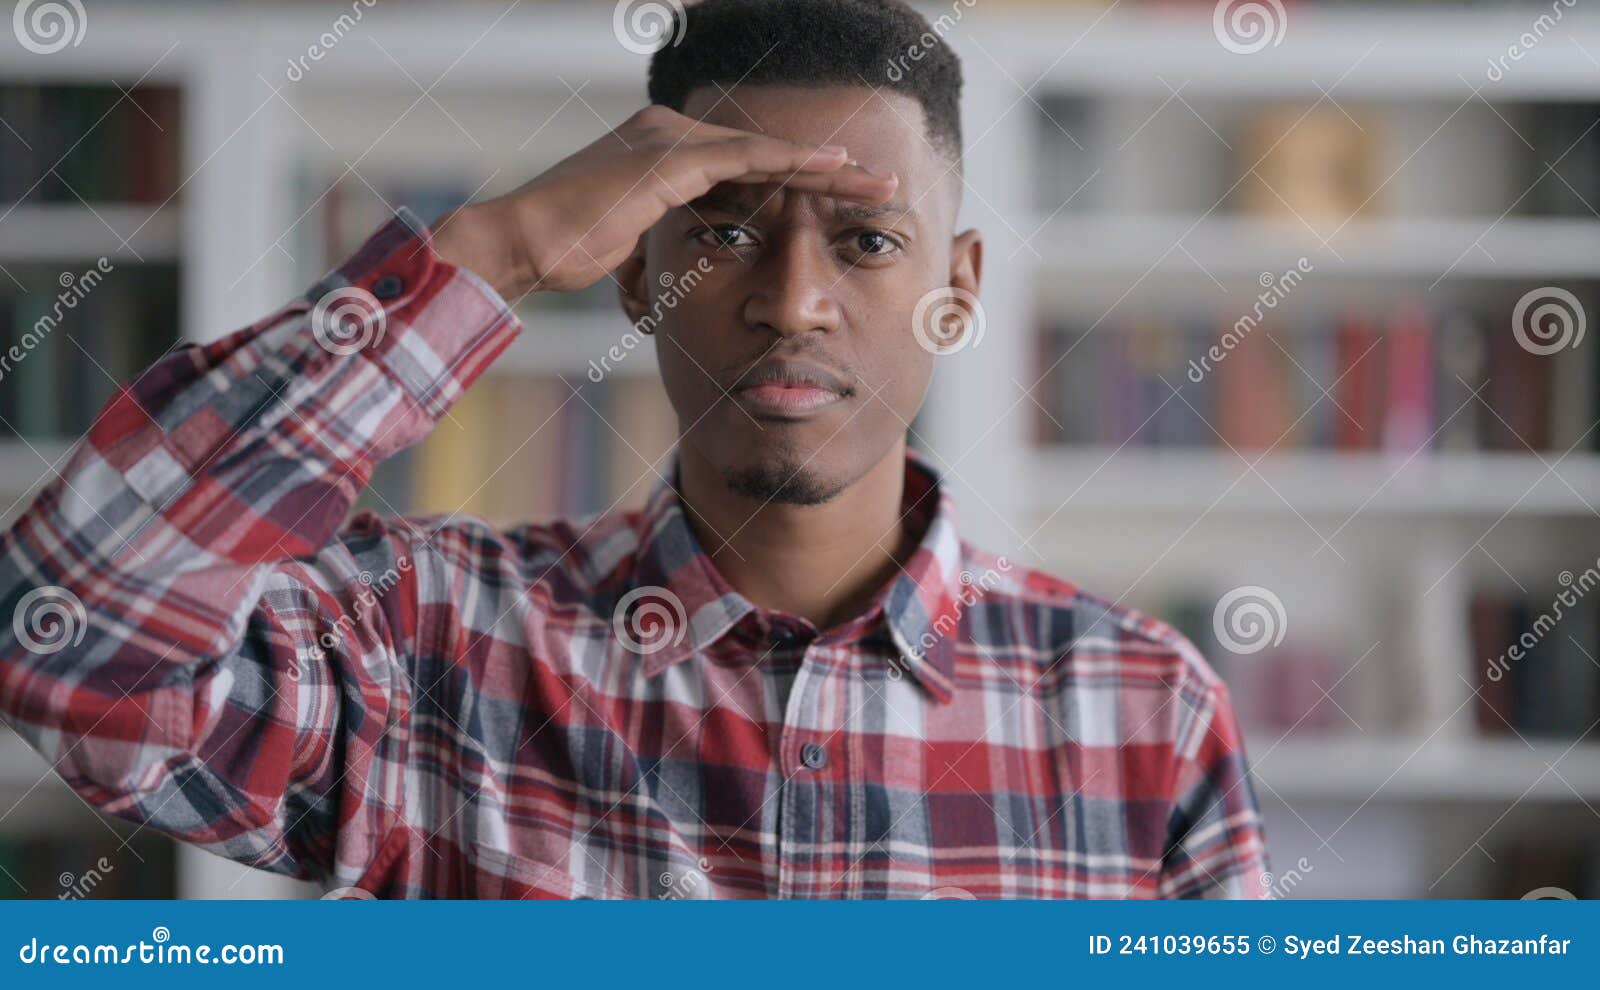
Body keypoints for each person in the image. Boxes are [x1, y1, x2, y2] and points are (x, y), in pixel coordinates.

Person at [0, 0, 1267, 899]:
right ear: (631, 272)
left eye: (869, 243)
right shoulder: (431, 642)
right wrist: (493, 252)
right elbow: (73, 643)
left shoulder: (1140, 708)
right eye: (718, 235)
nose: (792, 301)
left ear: (959, 287)